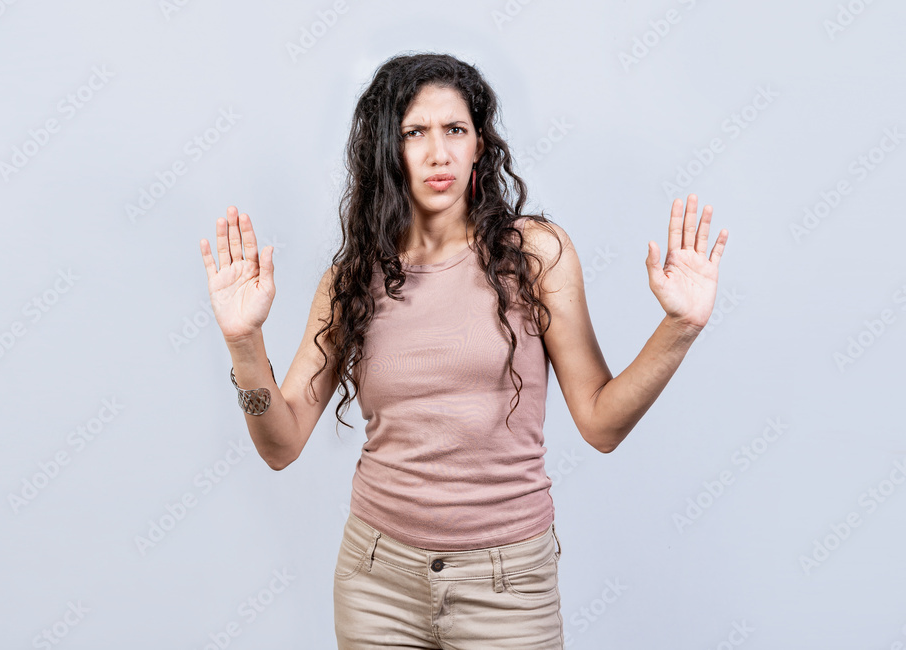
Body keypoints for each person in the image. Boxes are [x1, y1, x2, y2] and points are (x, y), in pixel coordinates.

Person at [198, 52, 727, 650]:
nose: (438, 153)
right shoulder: (351, 280)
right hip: (376, 583)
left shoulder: (534, 254)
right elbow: (281, 445)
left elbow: (601, 424)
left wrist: (680, 326)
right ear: (387, 150)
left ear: (480, 145)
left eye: (455, 129)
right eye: (414, 133)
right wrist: (243, 341)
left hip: (507, 583)